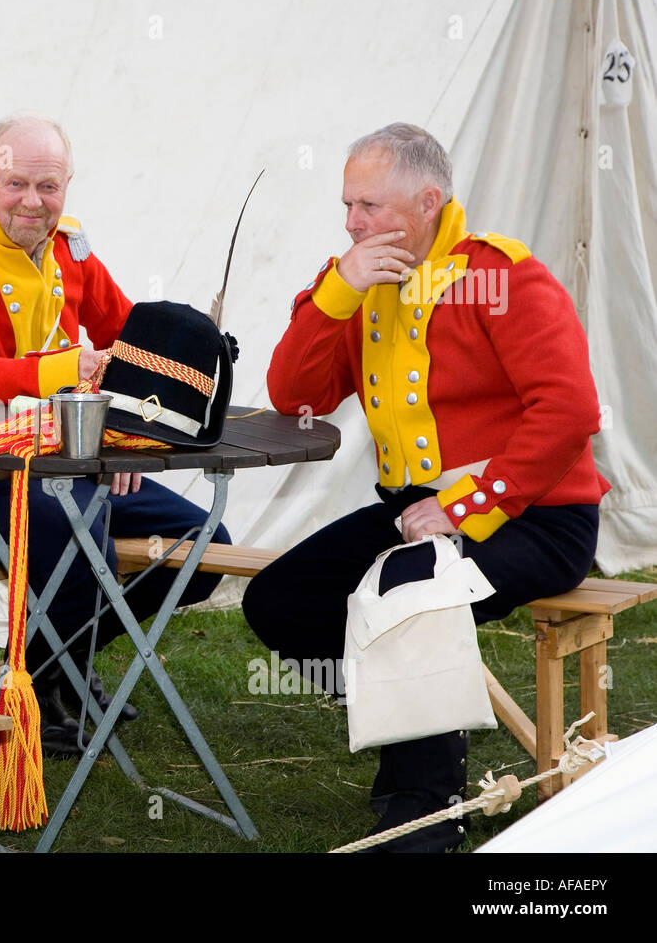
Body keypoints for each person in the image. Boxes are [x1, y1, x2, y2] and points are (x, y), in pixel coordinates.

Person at [243, 123, 610, 851]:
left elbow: (570, 413)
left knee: (408, 594)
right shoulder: (354, 279)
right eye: (348, 205)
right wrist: (336, 296)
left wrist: (465, 506)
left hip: (537, 515)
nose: (352, 223)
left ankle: (425, 810)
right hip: (414, 512)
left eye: (370, 206)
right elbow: (294, 394)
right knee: (279, 601)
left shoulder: (504, 276)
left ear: (429, 200)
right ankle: (415, 727)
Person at [0, 113, 231, 757]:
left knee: (202, 544)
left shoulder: (70, 249)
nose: (32, 202)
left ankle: (45, 670)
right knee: (84, 540)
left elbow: (130, 341)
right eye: (16, 183)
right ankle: (51, 686)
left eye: (48, 187)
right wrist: (54, 370)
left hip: (69, 462)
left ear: (68, 184)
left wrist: (126, 439)